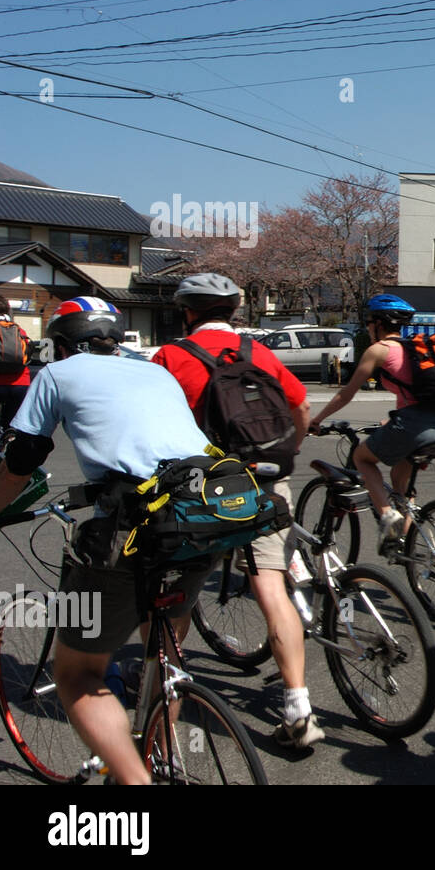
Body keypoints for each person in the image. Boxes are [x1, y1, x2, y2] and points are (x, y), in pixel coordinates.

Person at [0, 297, 216, 784]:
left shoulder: (56, 374)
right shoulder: (155, 371)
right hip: (205, 514)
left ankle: (136, 783)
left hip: (131, 527)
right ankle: (164, 758)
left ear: (60, 342)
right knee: (164, 650)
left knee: (77, 675)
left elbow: (23, 459)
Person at [151, 273, 322, 748]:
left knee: (179, 592)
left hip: (206, 490)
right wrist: (285, 456)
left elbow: (153, 423)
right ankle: (299, 708)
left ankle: (162, 716)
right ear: (232, 313)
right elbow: (301, 407)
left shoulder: (170, 356)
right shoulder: (259, 352)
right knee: (271, 586)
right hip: (268, 480)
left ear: (188, 312)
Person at [309, 293, 435, 545]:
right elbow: (412, 396)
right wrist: (391, 421)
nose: (367, 327)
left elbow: (346, 394)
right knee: (400, 482)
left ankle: (387, 516)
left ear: (378, 323)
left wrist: (317, 419)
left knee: (361, 458)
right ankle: (404, 546)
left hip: (413, 426)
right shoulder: (414, 350)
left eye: (368, 322)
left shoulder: (378, 350)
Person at [0, 295, 32, 430]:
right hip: (20, 383)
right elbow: (27, 353)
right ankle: (8, 438)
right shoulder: (18, 330)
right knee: (10, 424)